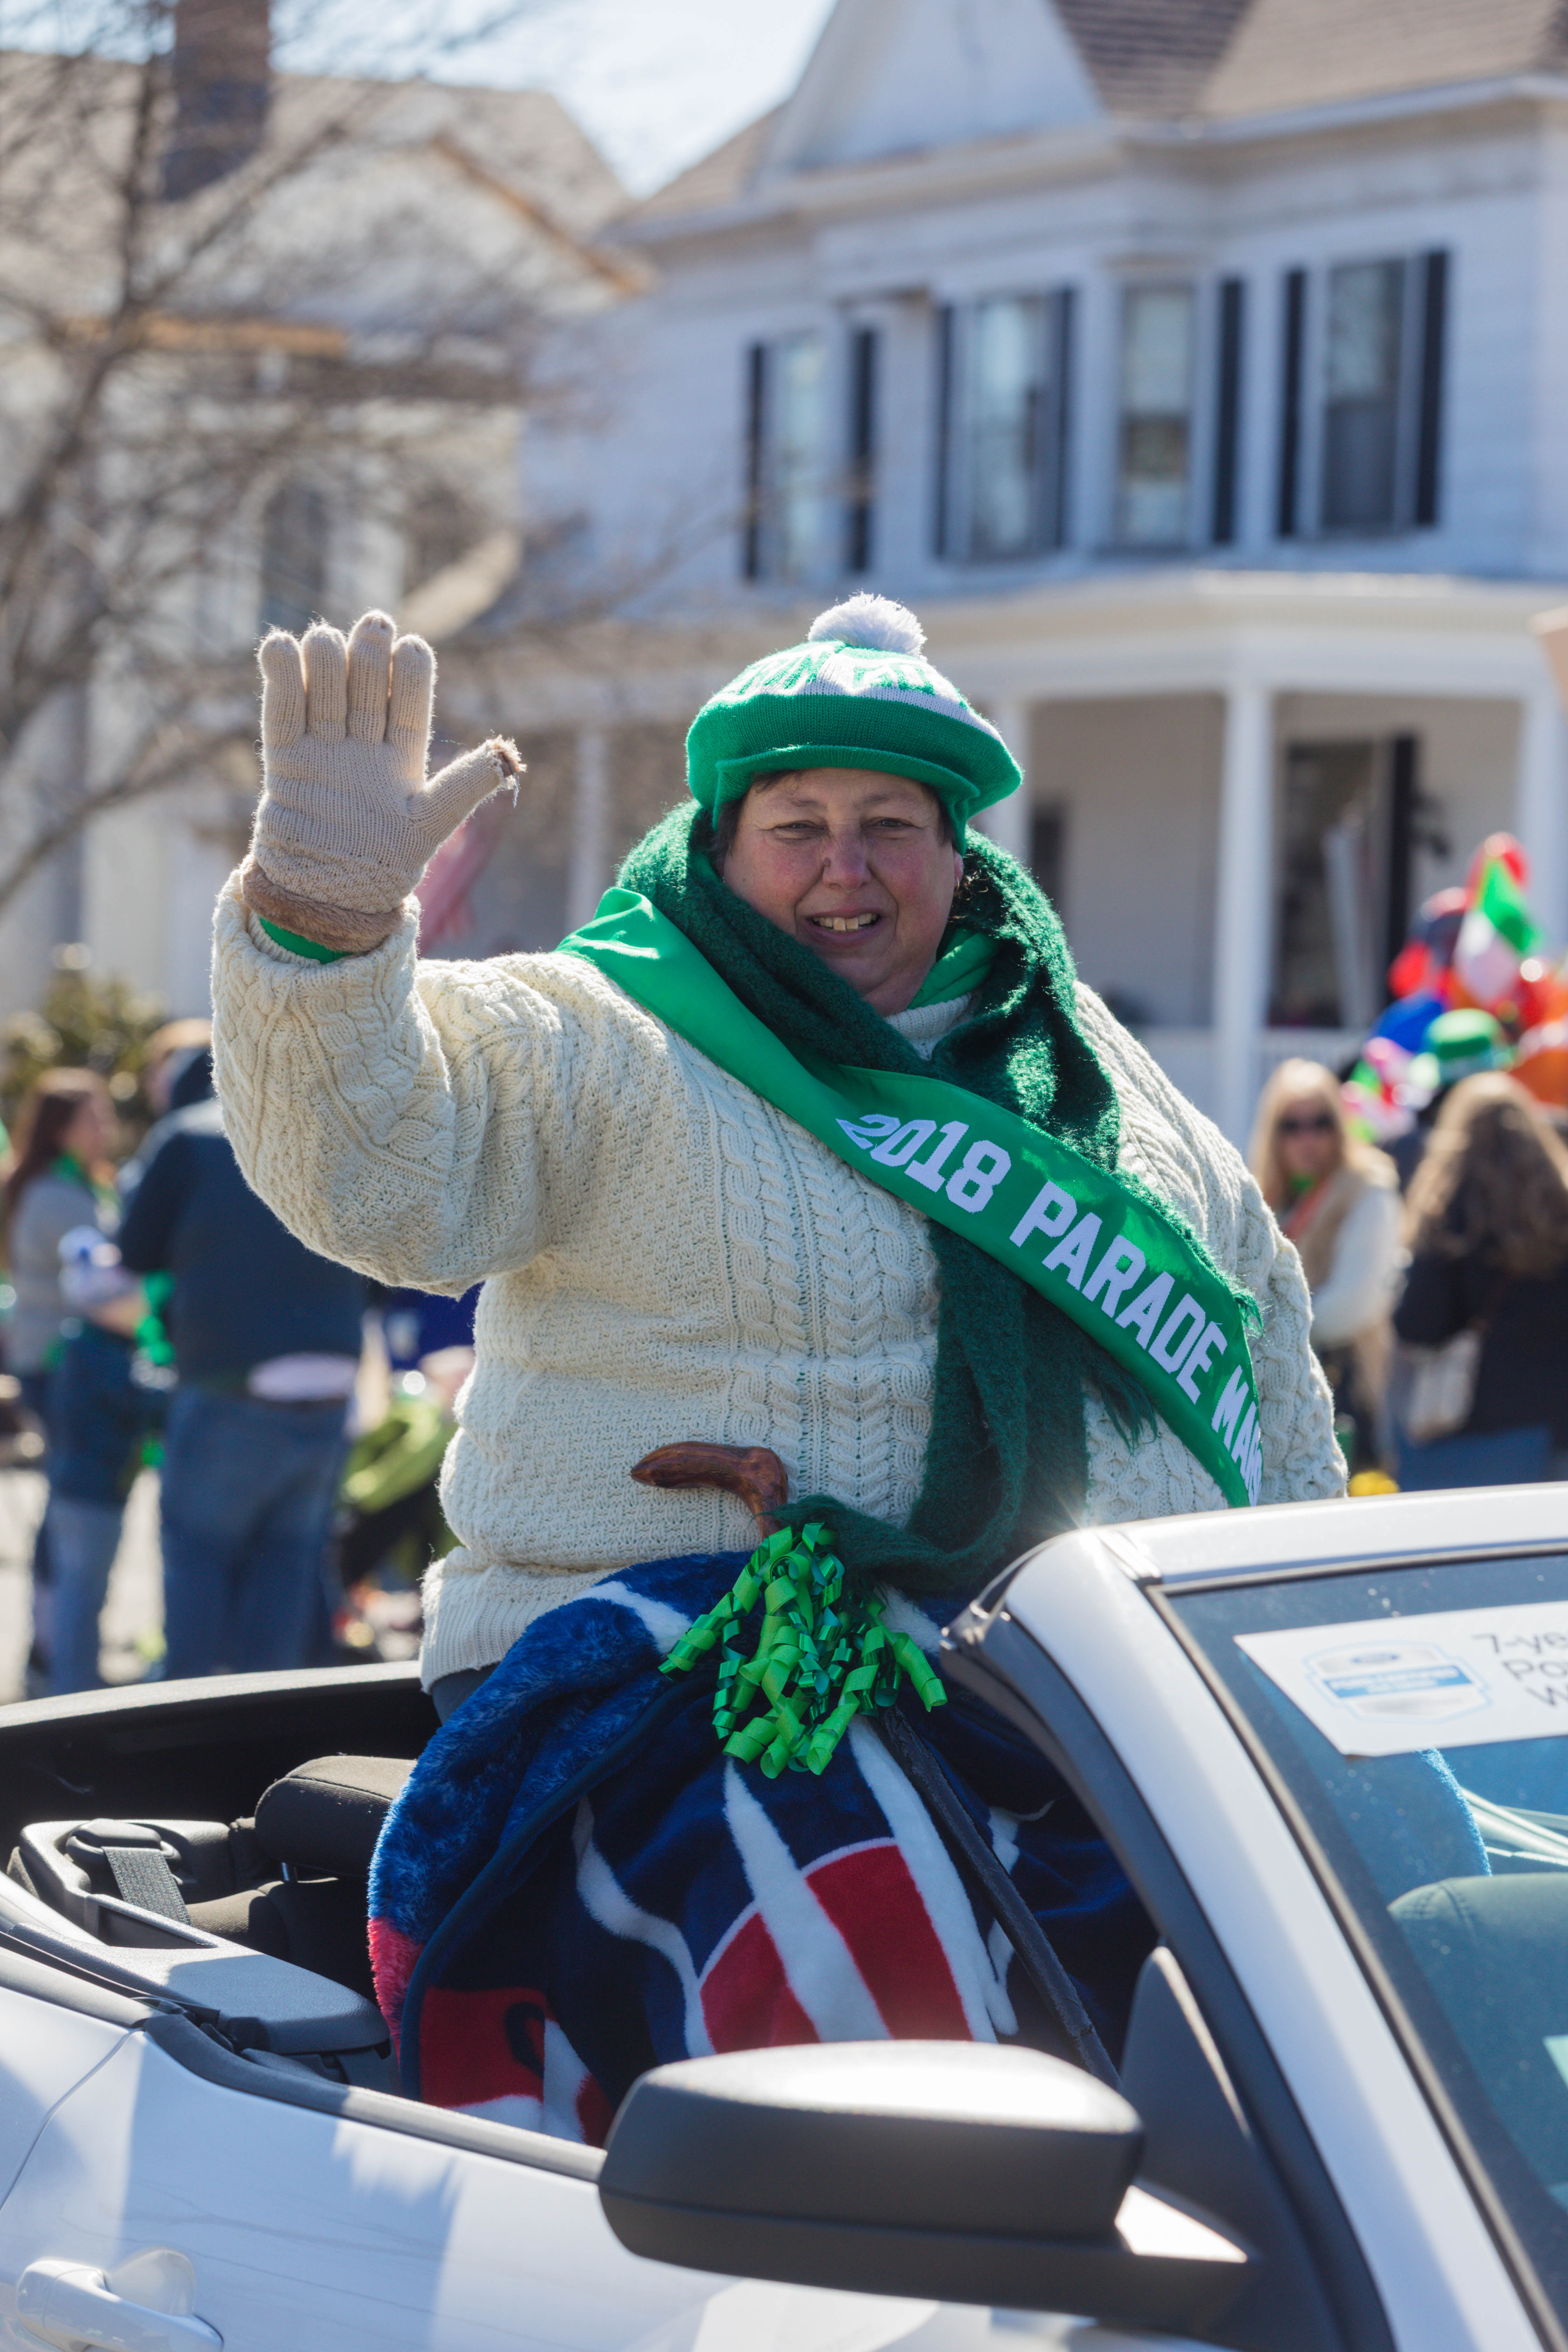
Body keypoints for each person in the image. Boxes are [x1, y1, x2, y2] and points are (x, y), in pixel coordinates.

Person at [210, 596, 1342, 2127]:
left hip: (1061, 1693)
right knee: (888, 1995)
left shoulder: (1107, 1097)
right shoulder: (610, 1025)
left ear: (956, 853)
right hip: (674, 1678)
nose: (841, 863)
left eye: (887, 822)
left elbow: (1264, 1393)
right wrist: (323, 928)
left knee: (1310, 1996)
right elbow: (375, 1171)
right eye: (795, 820)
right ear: (723, 842)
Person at [116, 1042, 367, 1678]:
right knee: (287, 1565)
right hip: (332, 1388)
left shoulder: (188, 1138)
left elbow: (135, 1250)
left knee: (199, 1561)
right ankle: (263, 1750)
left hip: (232, 1387)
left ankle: (186, 1745)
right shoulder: (332, 1136)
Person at [1393, 1073, 1568, 1487]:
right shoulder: (1561, 1213)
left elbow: (1416, 1324)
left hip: (1480, 1431)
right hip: (1559, 1428)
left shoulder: (1451, 1220)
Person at [2, 1070, 119, 1680]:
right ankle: (51, 1641)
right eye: (93, 1116)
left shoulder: (68, 1185)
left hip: (54, 1362)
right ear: (61, 1127)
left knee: (63, 1499)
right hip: (57, 1365)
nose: (107, 1128)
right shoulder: (55, 1195)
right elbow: (111, 1265)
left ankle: (49, 1641)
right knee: (70, 1503)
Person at [1250, 1059, 1401, 1473]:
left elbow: (1354, 1304)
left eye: (1321, 1123)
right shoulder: (1266, 1198)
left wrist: (1262, 1334)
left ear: (1340, 1126)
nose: (1308, 1138)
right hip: (1280, 1392)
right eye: (1291, 1126)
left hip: (1349, 1386)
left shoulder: (1368, 1191)